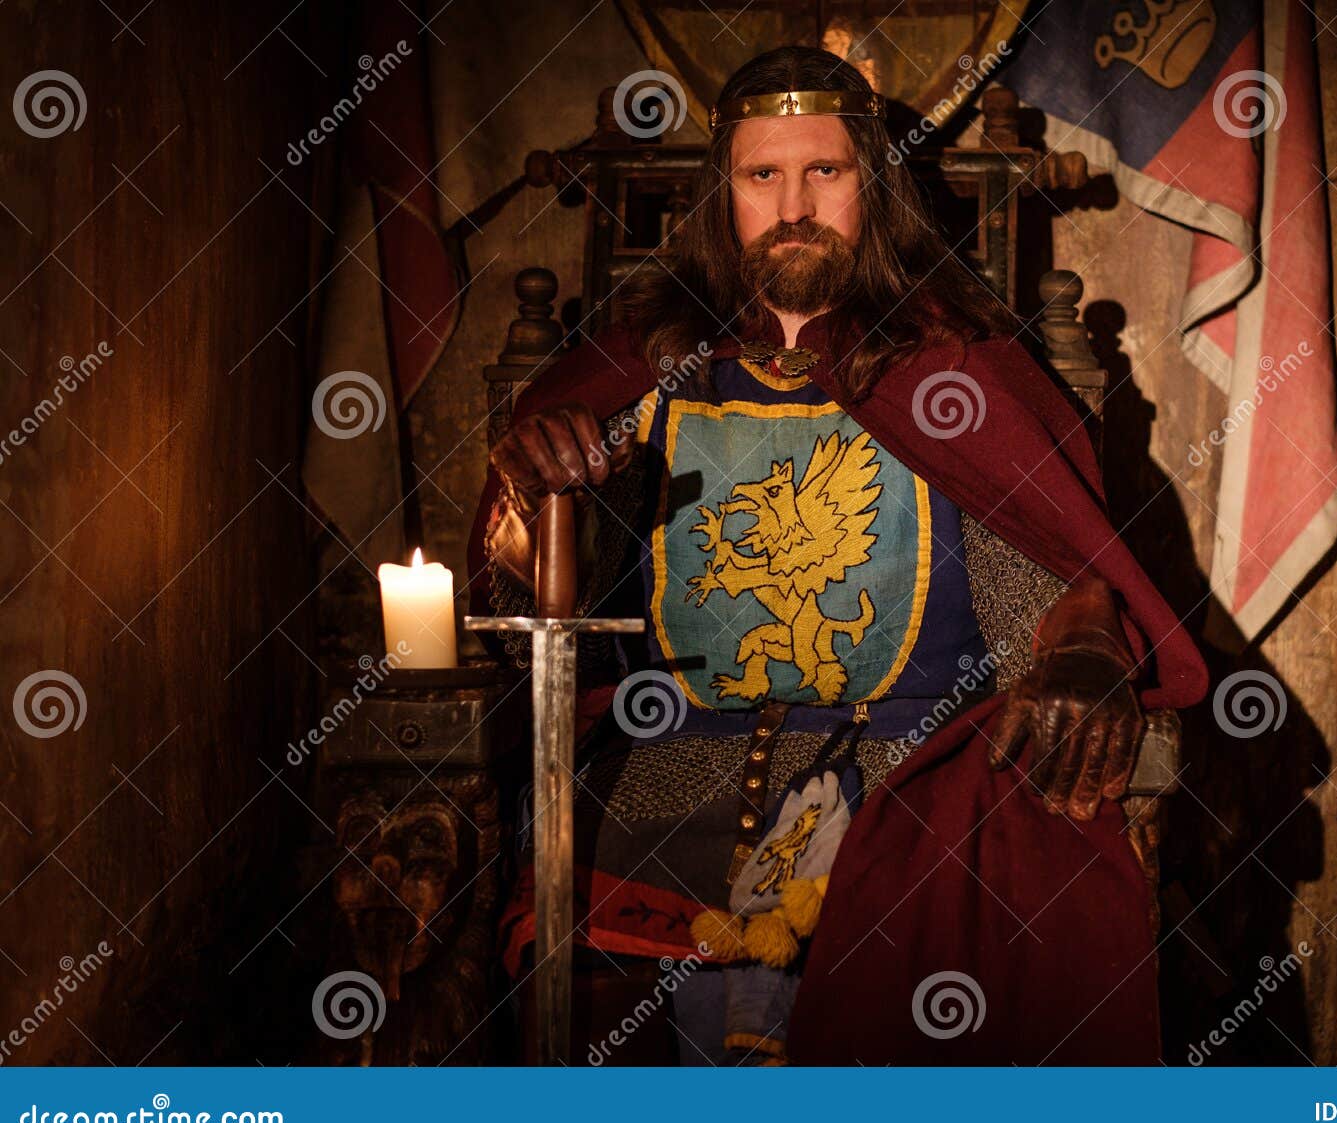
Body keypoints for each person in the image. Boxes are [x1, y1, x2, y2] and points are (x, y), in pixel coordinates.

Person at [468, 45, 1207, 1065]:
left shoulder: (946, 364)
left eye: (826, 171)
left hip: (901, 773)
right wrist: (529, 494)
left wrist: (1081, 640)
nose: (793, 204)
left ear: (875, 185)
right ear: (721, 195)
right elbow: (542, 613)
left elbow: (1047, 563)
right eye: (761, 175)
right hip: (670, 766)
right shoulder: (645, 363)